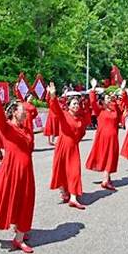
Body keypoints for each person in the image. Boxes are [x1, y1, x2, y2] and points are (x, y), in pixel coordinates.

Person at [0, 72, 36, 254]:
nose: (26, 112)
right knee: (13, 199)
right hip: (12, 170)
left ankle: (20, 229)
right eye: (22, 110)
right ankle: (18, 239)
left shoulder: (26, 128)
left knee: (26, 201)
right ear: (14, 112)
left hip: (26, 171)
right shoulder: (7, 128)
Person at [49, 82, 91, 210]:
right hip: (62, 146)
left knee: (74, 172)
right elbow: (54, 107)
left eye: (77, 103)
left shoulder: (80, 118)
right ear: (68, 106)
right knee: (61, 170)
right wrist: (52, 95)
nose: (76, 105)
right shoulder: (63, 115)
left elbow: (82, 131)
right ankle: (64, 191)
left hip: (73, 148)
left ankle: (73, 197)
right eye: (74, 103)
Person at [85, 78, 121, 190]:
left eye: (110, 98)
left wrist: (120, 93)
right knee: (107, 156)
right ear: (102, 101)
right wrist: (93, 88)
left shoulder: (115, 110)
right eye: (107, 98)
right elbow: (92, 102)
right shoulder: (99, 110)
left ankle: (107, 177)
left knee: (111, 156)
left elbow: (121, 109)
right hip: (103, 137)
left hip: (114, 137)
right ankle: (105, 180)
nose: (109, 100)